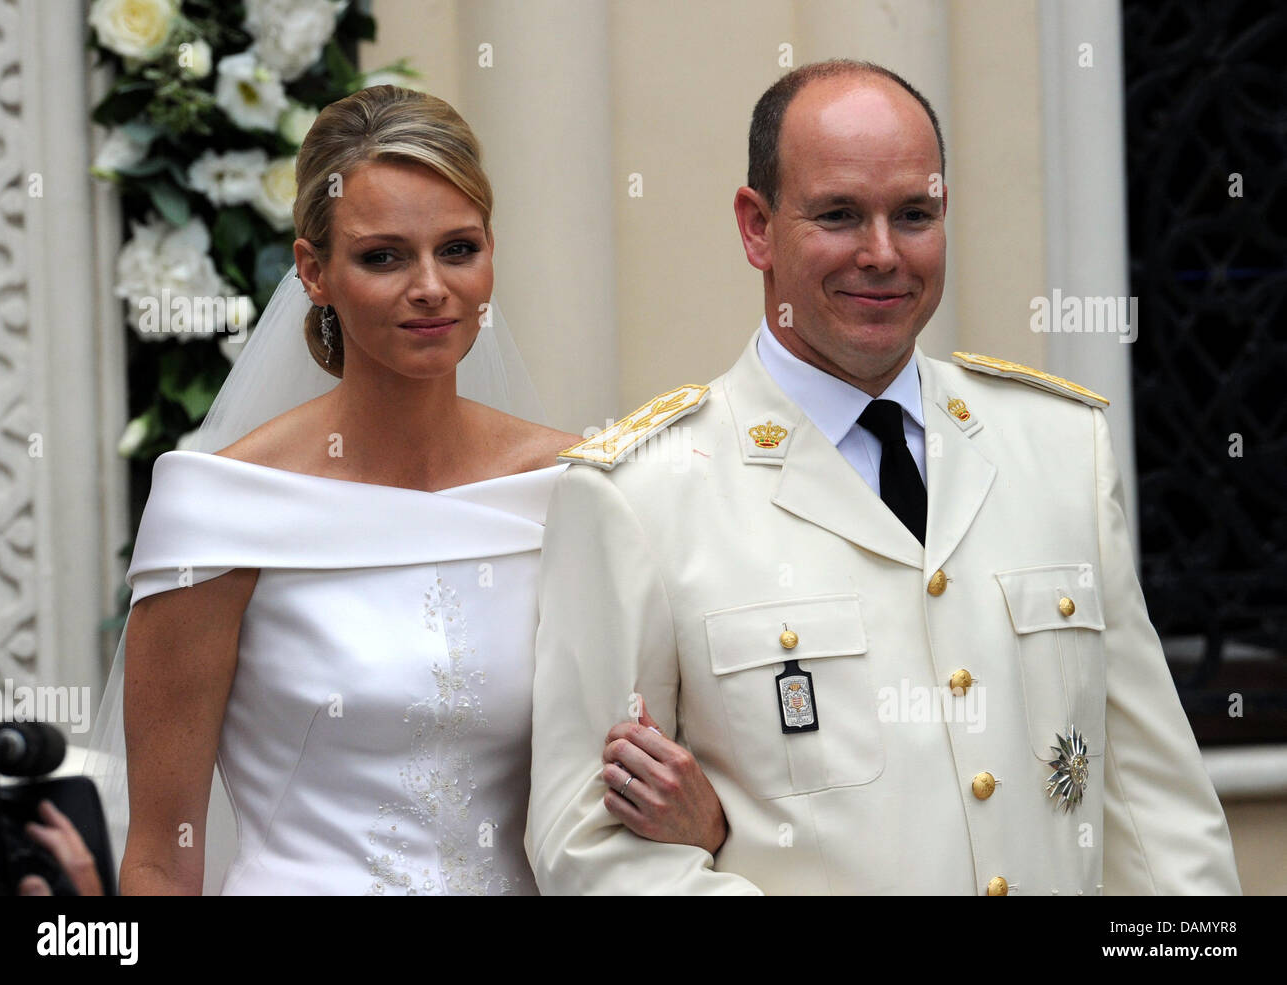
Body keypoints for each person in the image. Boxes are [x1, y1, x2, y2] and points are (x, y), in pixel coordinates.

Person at [525, 60, 1242, 895]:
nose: (882, 254)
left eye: (914, 215)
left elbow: (1153, 806)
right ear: (756, 228)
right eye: (838, 215)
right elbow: (590, 848)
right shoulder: (637, 495)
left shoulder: (1059, 446)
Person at [92, 85, 725, 895]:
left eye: (458, 249)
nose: (430, 287)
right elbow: (158, 859)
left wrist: (707, 822)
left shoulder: (577, 488)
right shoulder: (220, 510)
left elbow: (647, 770)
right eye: (383, 256)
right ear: (314, 270)